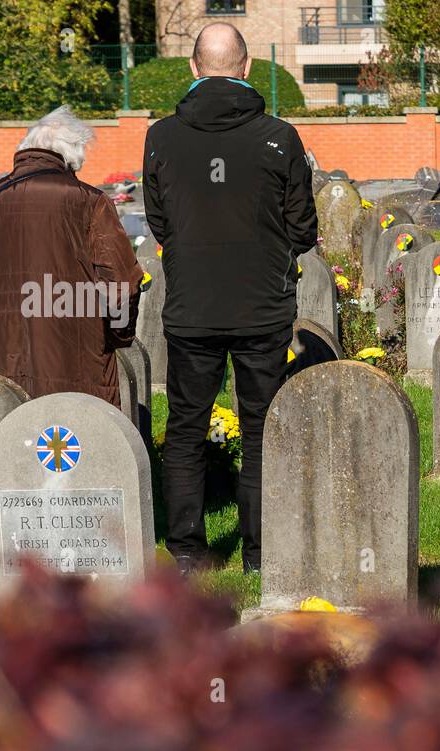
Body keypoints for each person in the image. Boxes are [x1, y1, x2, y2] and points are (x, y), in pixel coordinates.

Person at [143, 22, 317, 576]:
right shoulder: (280, 136)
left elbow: (158, 221)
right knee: (262, 426)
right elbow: (304, 229)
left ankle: (189, 551)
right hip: (261, 305)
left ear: (194, 68)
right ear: (245, 67)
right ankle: (259, 554)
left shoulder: (161, 137)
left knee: (188, 427)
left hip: (192, 306)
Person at [0, 108, 143, 405]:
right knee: (72, 440)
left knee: (6, 435)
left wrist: (6, 300)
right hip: (76, 351)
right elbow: (120, 282)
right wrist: (115, 335)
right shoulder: (89, 200)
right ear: (71, 156)